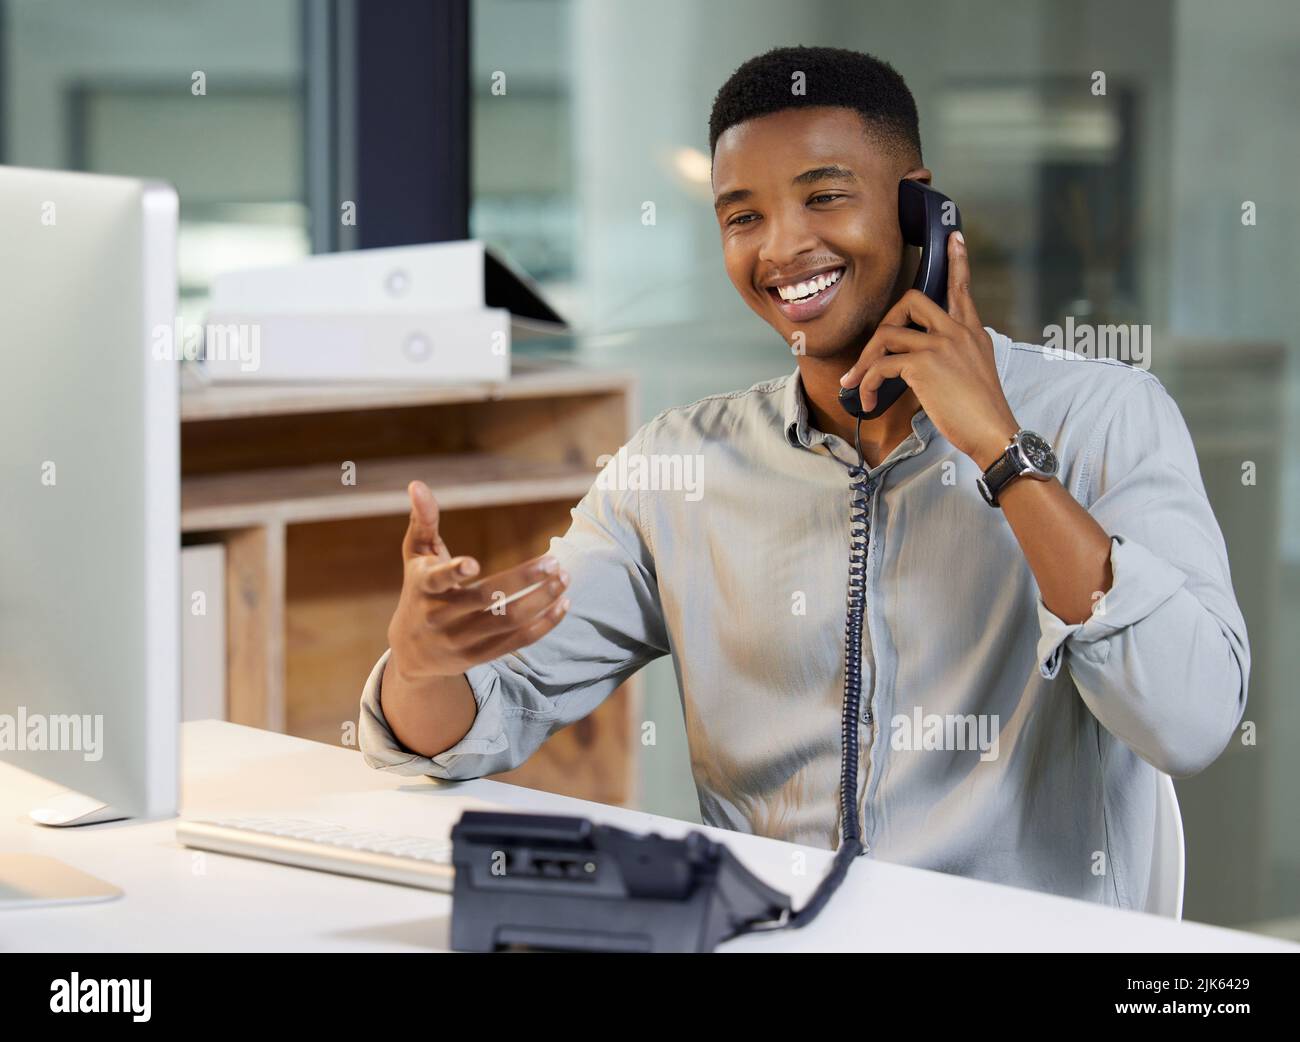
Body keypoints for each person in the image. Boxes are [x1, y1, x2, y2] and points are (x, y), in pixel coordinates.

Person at [358, 45, 1249, 911]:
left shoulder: (1106, 417)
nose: (781, 247)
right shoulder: (678, 468)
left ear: (922, 212)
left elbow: (1191, 718)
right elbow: (467, 725)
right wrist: (427, 662)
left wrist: (1002, 452)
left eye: (824, 196)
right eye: (742, 217)